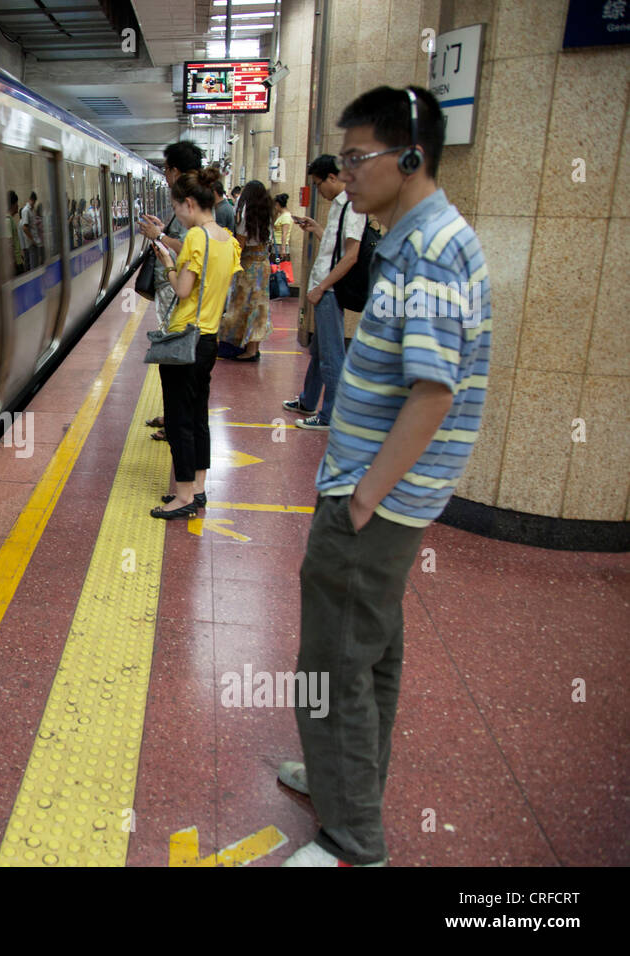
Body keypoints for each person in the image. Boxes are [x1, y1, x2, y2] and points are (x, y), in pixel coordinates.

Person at [279, 86, 491, 867]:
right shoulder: (414, 237)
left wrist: (364, 496)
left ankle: (351, 842)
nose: (346, 172)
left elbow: (434, 391)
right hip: (389, 498)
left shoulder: (429, 249)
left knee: (333, 662)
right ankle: (345, 786)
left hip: (376, 502)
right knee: (369, 657)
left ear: (411, 157)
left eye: (359, 157)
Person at [149, 167, 242, 519]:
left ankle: (184, 495)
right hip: (208, 340)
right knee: (198, 416)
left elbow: (183, 289)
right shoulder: (227, 241)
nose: (177, 217)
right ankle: (198, 488)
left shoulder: (195, 240)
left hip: (184, 339)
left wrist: (169, 264)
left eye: (177, 209)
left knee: (177, 420)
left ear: (189, 203)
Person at [283, 155, 365, 428]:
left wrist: (322, 287)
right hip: (324, 288)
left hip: (330, 291)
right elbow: (336, 248)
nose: (319, 191)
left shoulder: (353, 206)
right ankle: (308, 401)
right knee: (319, 352)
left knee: (332, 357)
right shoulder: (340, 206)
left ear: (333, 177)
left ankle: (331, 415)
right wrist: (316, 228)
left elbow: (351, 256)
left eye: (319, 184)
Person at [138, 140, 205, 440]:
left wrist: (160, 236)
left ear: (175, 171)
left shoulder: (190, 202)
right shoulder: (195, 199)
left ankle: (177, 423)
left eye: (166, 170)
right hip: (178, 289)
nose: (165, 176)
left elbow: (189, 246)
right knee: (175, 363)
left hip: (178, 290)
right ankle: (173, 417)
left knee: (175, 361)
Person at [221, 180, 275, 361]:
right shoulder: (267, 213)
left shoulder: (246, 214)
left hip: (248, 266)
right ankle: (253, 347)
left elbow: (240, 245)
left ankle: (246, 349)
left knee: (241, 306)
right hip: (263, 265)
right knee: (259, 308)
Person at [6, 191, 25, 274]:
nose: (18, 206)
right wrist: (13, 263)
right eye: (17, 203)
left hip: (18, 261)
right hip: (16, 264)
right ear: (13, 205)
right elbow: (9, 243)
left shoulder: (11, 220)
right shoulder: (7, 220)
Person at [273, 193, 293, 264]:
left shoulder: (286, 216)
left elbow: (284, 233)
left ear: (278, 204)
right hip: (276, 245)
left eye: (275, 205)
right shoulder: (281, 215)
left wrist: (283, 249)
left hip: (280, 246)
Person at [20, 191, 38, 269]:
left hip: (34, 241)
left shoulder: (31, 210)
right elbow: (25, 228)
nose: (34, 204)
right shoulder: (26, 210)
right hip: (31, 242)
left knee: (35, 263)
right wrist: (33, 239)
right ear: (31, 200)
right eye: (34, 202)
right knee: (33, 265)